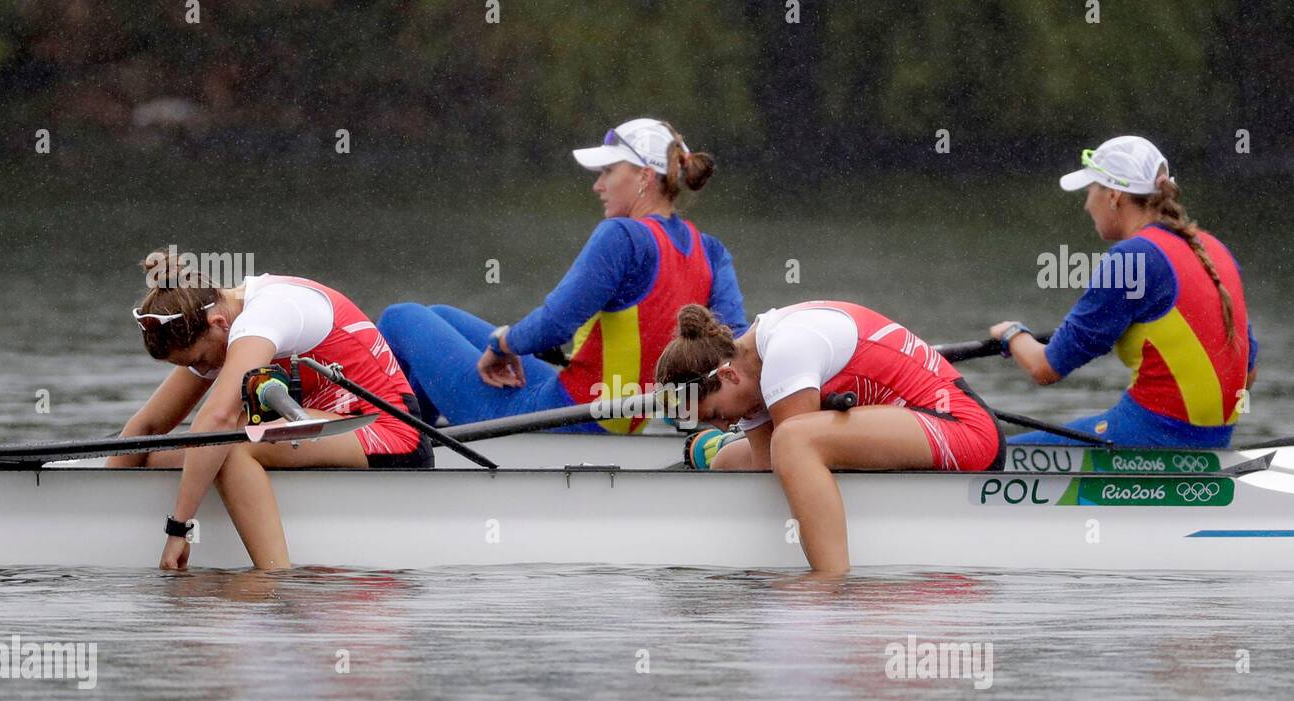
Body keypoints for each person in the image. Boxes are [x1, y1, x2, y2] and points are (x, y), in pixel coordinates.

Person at [377, 118, 748, 434]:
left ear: (645, 177)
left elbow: (556, 325)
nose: (597, 186)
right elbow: (737, 341)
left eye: (607, 172)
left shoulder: (623, 236)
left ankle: (399, 449)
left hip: (565, 420)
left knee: (401, 317)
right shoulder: (710, 251)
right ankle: (417, 439)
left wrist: (502, 345)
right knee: (440, 315)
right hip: (614, 415)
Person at [109, 250, 431, 570]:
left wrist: (179, 528)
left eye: (199, 361)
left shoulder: (266, 314)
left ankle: (274, 578)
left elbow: (218, 419)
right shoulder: (213, 324)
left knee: (232, 440)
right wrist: (100, 497)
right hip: (319, 431)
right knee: (156, 456)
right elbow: (150, 426)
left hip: (392, 433)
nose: (201, 369)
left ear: (218, 324)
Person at [654, 302, 1004, 574]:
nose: (722, 424)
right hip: (913, 428)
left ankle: (830, 579)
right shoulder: (751, 367)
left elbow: (795, 450)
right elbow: (765, 468)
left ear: (728, 376)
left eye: (715, 414)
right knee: (728, 459)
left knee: (793, 439)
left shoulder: (786, 350)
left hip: (964, 433)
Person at [990, 135, 1257, 447]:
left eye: (1090, 190)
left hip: (1151, 438)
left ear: (1114, 196)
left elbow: (1045, 368)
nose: (1087, 204)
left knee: (995, 454)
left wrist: (1011, 333)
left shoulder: (1132, 259)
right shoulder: (1213, 248)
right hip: (1216, 440)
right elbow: (1247, 375)